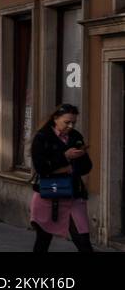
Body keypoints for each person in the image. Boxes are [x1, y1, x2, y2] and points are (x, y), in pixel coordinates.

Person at [30, 103, 94, 252]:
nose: (70, 126)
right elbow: (40, 167)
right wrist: (65, 157)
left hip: (73, 194)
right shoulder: (42, 137)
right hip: (48, 194)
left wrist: (81, 157)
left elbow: (87, 168)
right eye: (67, 122)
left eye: (73, 122)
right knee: (43, 239)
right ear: (55, 119)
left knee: (83, 239)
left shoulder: (76, 136)